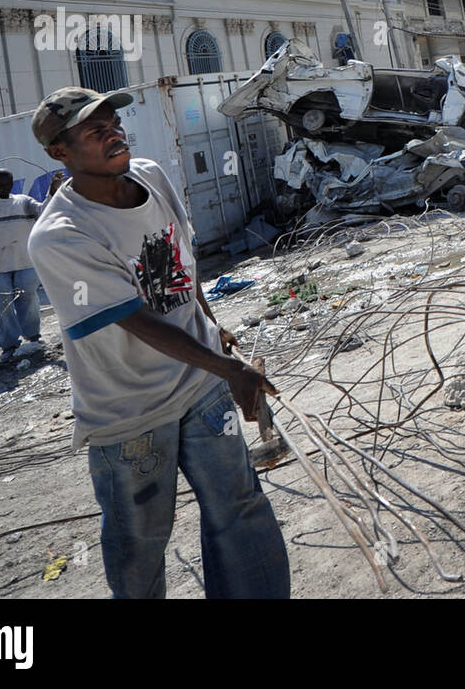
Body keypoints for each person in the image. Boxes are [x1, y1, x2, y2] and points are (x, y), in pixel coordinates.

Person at [26, 87, 289, 599]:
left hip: (202, 386)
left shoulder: (150, 175)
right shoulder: (59, 235)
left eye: (113, 123)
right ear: (60, 152)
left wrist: (216, 333)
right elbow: (136, 319)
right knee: (140, 544)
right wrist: (229, 369)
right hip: (130, 415)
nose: (113, 134)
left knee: (240, 510)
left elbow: (183, 268)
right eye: (94, 131)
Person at [0, 168, 64, 364]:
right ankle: (9, 345)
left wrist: (52, 190)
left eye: (7, 183)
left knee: (28, 297)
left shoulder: (23, 201)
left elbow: (44, 212)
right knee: (3, 305)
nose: (3, 186)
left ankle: (33, 337)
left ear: (12, 183)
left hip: (24, 260)